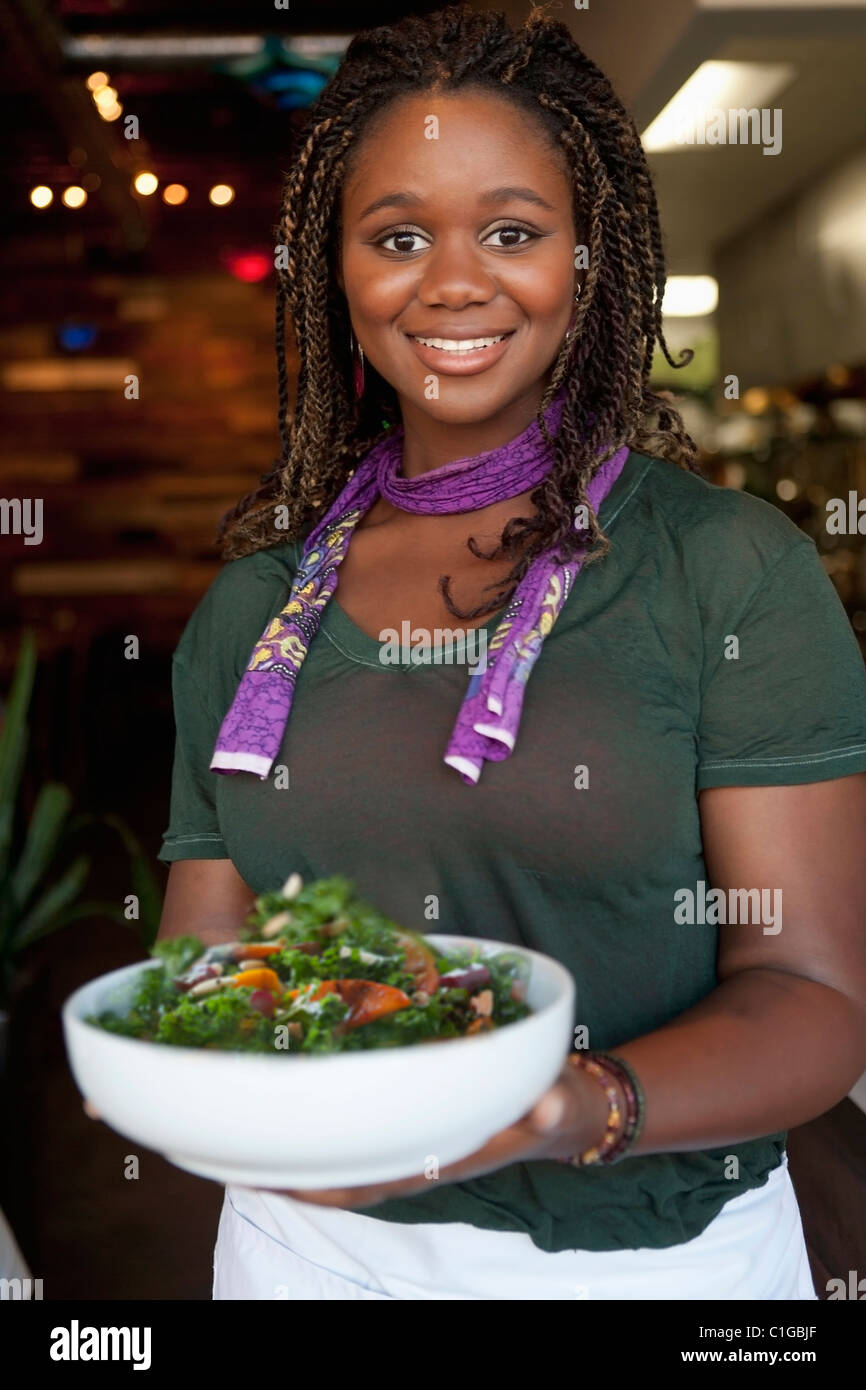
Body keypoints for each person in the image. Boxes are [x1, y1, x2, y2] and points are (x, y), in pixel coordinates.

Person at [155, 4, 866, 1300]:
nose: (452, 281)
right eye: (398, 236)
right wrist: (187, 1071)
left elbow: (813, 994)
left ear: (586, 261)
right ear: (336, 269)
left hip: (649, 1259)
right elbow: (207, 965)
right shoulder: (244, 617)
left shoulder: (722, 568)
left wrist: (558, 1105)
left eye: (510, 231)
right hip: (299, 1249)